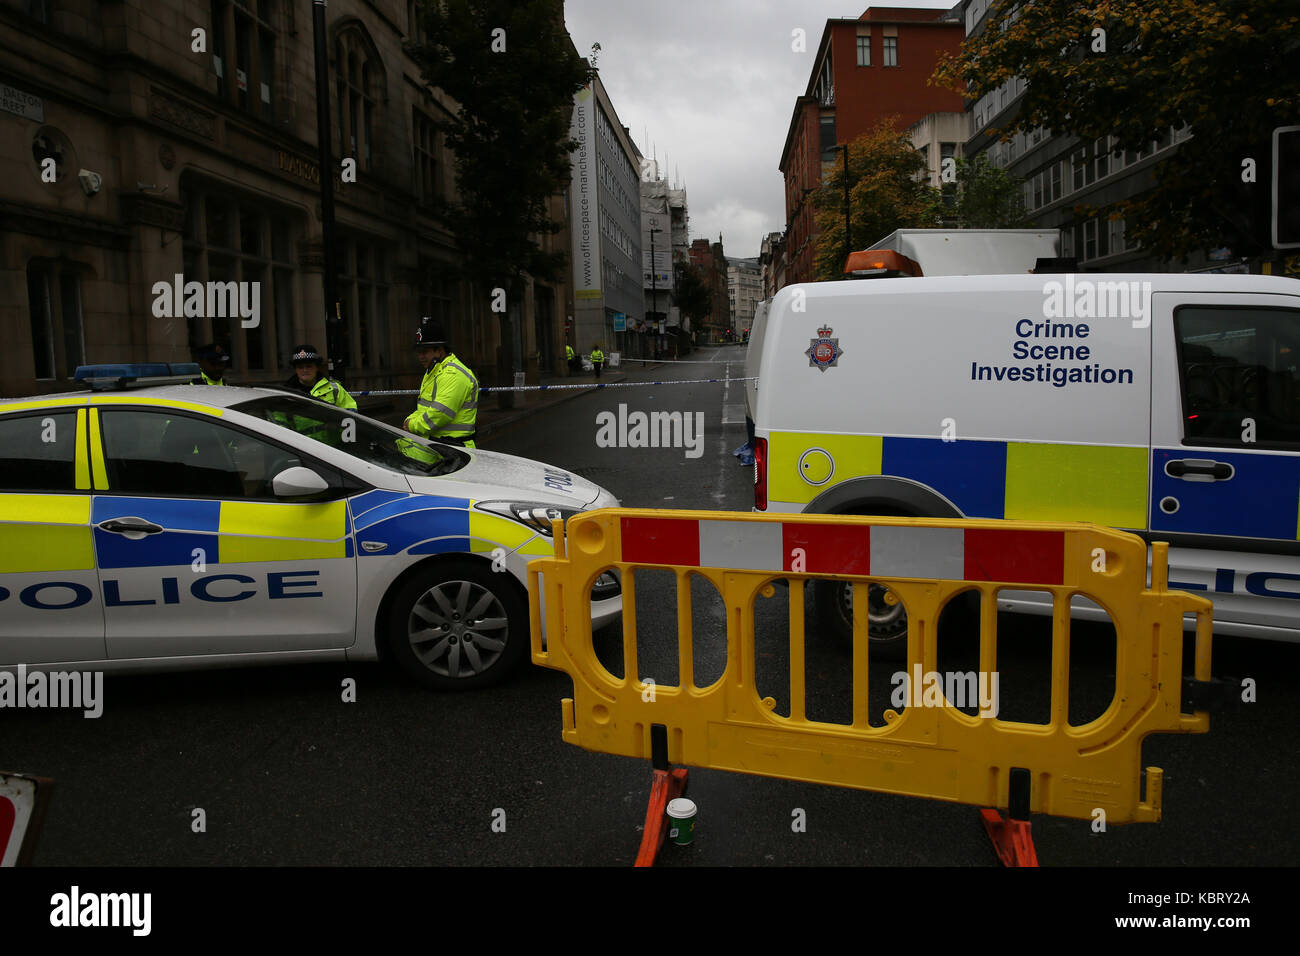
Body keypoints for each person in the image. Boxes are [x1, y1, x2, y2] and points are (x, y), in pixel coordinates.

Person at [405, 318, 479, 448]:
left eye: (425, 351)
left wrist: (411, 425)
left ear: (439, 350)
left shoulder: (453, 374)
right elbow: (424, 408)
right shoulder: (434, 370)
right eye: (419, 352)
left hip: (454, 451)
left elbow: (439, 413)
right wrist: (409, 420)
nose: (420, 356)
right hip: (438, 445)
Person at [283, 344, 357, 410]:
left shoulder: (335, 389)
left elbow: (351, 412)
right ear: (296, 370)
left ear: (317, 367)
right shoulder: (286, 393)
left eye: (309, 366)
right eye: (300, 367)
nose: (305, 370)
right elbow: (278, 418)